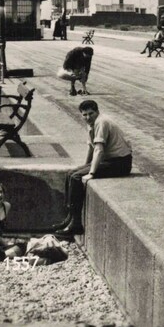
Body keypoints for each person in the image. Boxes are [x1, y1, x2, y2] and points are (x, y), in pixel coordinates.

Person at [59, 100, 132, 236]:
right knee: (71, 173)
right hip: (109, 160)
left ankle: (76, 224)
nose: (88, 117)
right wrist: (84, 166)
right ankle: (68, 218)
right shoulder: (92, 123)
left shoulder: (101, 122)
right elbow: (91, 148)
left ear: (97, 111)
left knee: (76, 177)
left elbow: (99, 149)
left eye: (91, 114)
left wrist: (91, 172)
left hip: (120, 163)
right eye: (84, 115)